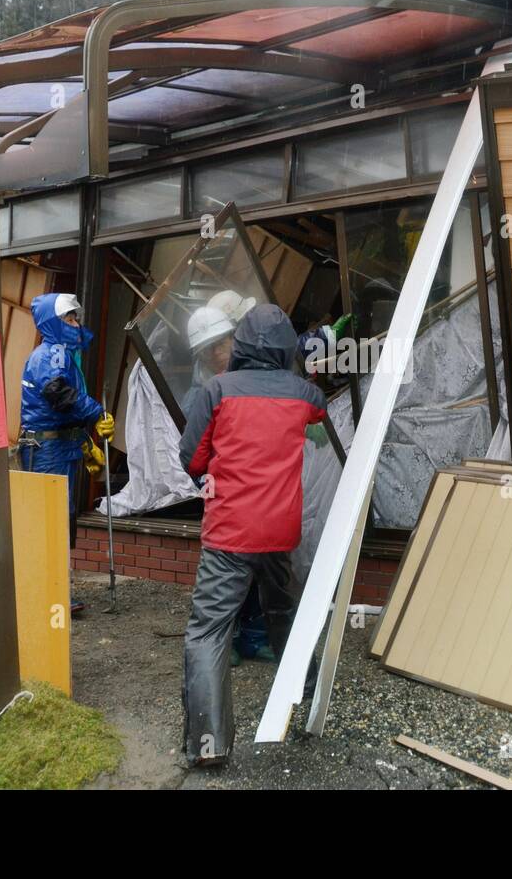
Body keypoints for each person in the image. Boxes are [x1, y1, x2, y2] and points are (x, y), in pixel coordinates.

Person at [178, 303, 327, 768]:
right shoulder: (305, 395)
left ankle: (209, 745)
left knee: (209, 630)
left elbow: (192, 460)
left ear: (239, 343)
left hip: (229, 534)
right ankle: (305, 694)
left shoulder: (216, 391)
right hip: (279, 532)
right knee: (283, 613)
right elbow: (319, 414)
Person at [19, 293, 114, 616]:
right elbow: (58, 394)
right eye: (69, 319)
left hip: (57, 446)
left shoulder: (61, 354)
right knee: (49, 521)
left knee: (58, 520)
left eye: (76, 318)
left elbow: (61, 403)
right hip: (48, 450)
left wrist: (83, 441)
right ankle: (47, 594)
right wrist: (96, 414)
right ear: (53, 322)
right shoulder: (52, 354)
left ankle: (53, 591)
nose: (76, 324)